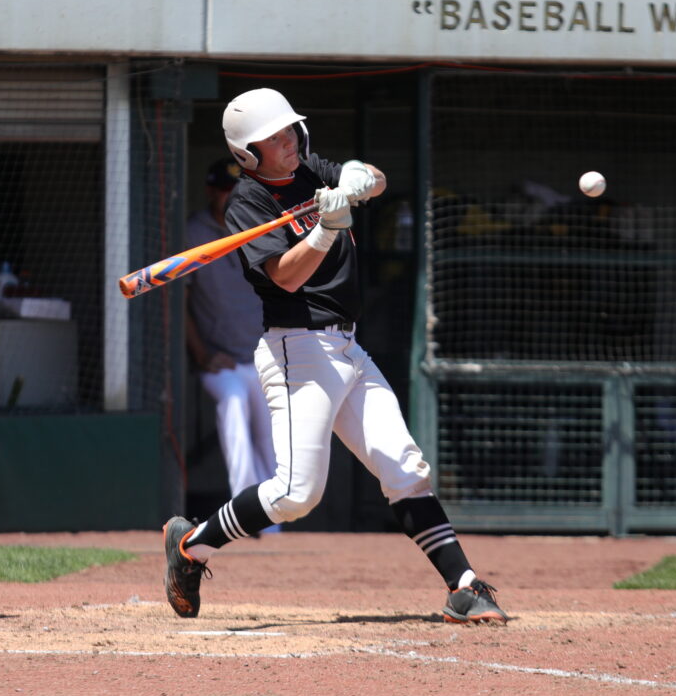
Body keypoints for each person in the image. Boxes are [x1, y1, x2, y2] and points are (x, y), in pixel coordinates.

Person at [162, 88, 509, 625]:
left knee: (405, 467)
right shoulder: (248, 204)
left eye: (288, 131)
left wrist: (355, 178)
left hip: (347, 345)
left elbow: (374, 177)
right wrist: (326, 228)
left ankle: (463, 585)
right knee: (297, 494)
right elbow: (285, 276)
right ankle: (191, 547)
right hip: (297, 348)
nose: (286, 142)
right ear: (248, 154)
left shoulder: (307, 169)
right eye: (272, 139)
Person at [185, 158, 277, 502]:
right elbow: (180, 302)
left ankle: (271, 527)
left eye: (237, 192)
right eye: (226, 191)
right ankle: (246, 505)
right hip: (221, 362)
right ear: (211, 192)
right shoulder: (193, 233)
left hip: (264, 357)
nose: (232, 199)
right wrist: (202, 354)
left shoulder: (259, 230)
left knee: (271, 438)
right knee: (234, 406)